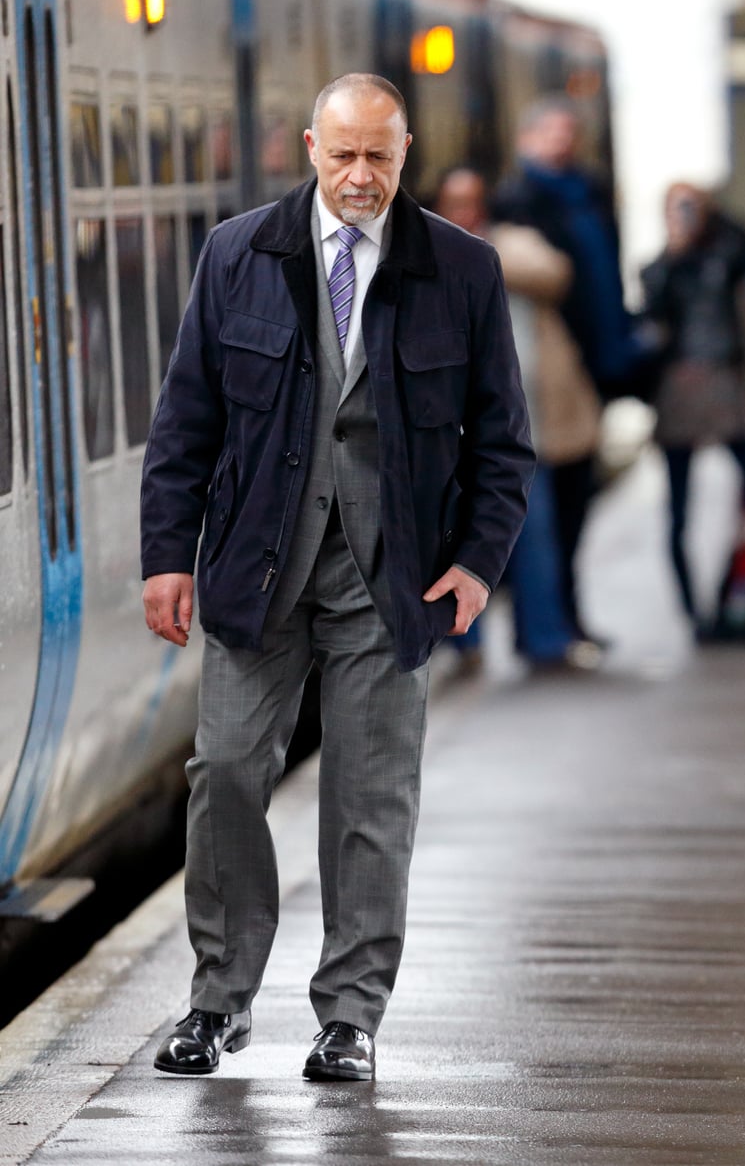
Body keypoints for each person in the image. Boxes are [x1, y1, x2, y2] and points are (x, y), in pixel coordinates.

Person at [139, 75, 533, 1081]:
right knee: (225, 770)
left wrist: (479, 565)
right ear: (310, 146)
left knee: (370, 801)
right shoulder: (239, 255)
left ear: (408, 154)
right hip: (252, 571)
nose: (362, 177)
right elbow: (186, 424)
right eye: (344, 154)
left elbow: (503, 444)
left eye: (382, 158)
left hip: (389, 577)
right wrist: (164, 559)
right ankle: (217, 1002)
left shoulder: (464, 269)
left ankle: (349, 1017)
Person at [433, 165, 597, 670]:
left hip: (520, 427)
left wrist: (476, 255)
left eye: (472, 201)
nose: (464, 212)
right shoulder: (423, 252)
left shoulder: (509, 245)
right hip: (453, 429)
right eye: (453, 202)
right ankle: (464, 642)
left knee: (532, 537)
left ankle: (543, 639)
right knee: (454, 540)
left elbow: (556, 273)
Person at [493, 97, 633, 645]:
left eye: (569, 132)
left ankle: (565, 618)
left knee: (574, 503)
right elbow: (553, 277)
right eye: (550, 131)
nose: (562, 142)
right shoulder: (518, 202)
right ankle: (552, 623)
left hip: (589, 364)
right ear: (526, 139)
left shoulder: (590, 191)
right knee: (549, 512)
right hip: (552, 374)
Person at [639, 183, 745, 631]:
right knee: (678, 512)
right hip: (679, 387)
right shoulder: (659, 267)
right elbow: (653, 312)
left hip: (727, 384)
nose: (686, 215)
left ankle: (739, 597)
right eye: (677, 208)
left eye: (692, 207)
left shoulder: (723, 255)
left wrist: (713, 213)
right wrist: (674, 254)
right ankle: (695, 615)